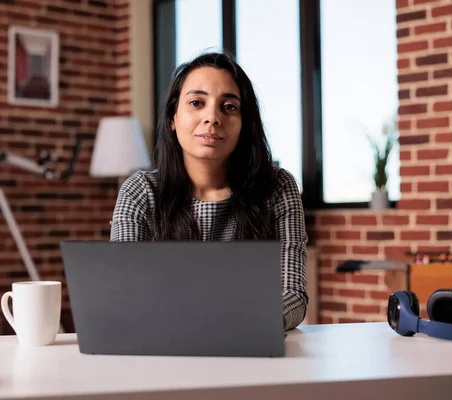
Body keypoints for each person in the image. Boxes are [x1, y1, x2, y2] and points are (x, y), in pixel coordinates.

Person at [109, 52, 308, 331]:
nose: (212, 118)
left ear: (245, 124)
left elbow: (293, 296)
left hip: (251, 346)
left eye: (228, 107)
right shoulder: (140, 191)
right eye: (196, 103)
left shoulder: (277, 187)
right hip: (162, 352)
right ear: (172, 118)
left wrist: (243, 325)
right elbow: (125, 293)